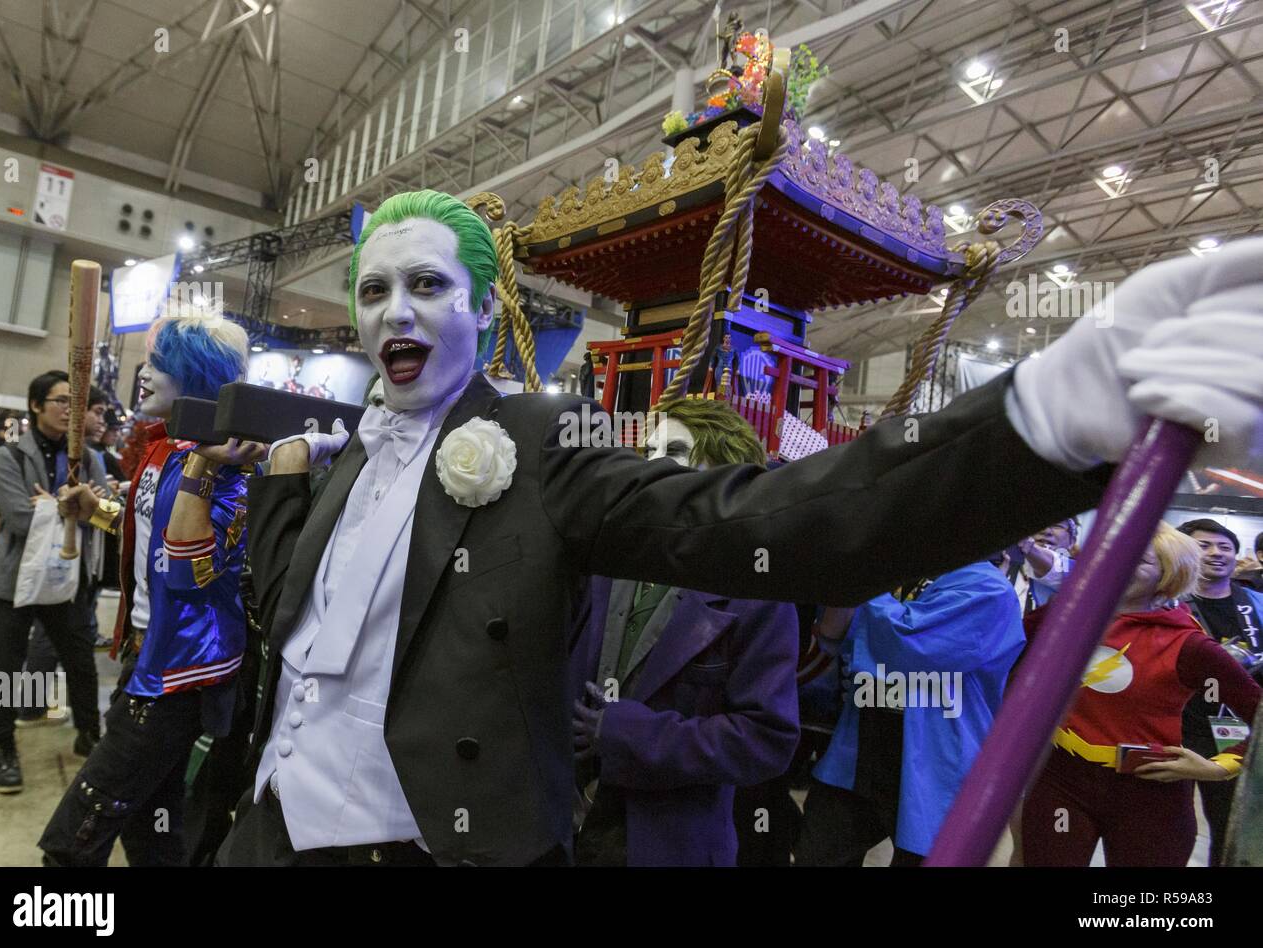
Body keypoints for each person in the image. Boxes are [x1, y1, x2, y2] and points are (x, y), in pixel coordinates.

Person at [215, 189, 1262, 867]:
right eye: (374, 291)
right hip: (267, 834)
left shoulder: (540, 445)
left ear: (486, 310)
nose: (395, 311)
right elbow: (288, 626)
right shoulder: (347, 456)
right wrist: (280, 485)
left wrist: (1046, 416)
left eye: (428, 286)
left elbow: (780, 521)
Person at [38, 315, 256, 866]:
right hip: (142, 654)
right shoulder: (162, 448)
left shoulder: (231, 470)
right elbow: (151, 532)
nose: (143, 372)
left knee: (72, 843)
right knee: (151, 829)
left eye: (160, 364)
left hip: (181, 671)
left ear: (196, 375)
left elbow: (185, 570)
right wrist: (97, 510)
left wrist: (203, 465)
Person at [568, 398, 800, 866]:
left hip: (669, 840)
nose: (653, 463)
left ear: (724, 472)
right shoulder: (605, 561)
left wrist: (630, 734)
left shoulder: (756, 593)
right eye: (649, 450)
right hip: (566, 826)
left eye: (673, 450)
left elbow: (766, 738)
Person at [1020, 522, 1261, 866]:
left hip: (1151, 791)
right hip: (1062, 779)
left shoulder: (1189, 644)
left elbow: (1257, 712)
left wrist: (1219, 767)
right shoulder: (1064, 618)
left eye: (1140, 560)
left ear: (1167, 574)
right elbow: (1003, 659)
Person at [794, 559, 1025, 866]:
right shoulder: (901, 573)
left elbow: (910, 646)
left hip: (936, 766)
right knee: (817, 856)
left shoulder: (989, 589)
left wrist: (861, 578)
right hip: (861, 751)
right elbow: (833, 635)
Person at [0, 372, 107, 793]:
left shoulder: (88, 458)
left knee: (80, 659)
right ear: (36, 406)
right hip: (12, 582)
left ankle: (89, 734)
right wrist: (71, 507)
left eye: (76, 402)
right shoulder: (9, 456)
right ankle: (3, 746)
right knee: (6, 664)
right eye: (61, 401)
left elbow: (105, 512)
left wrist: (55, 505)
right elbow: (19, 517)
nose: (71, 409)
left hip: (66, 580)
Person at [16, 385, 114, 738]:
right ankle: (31, 706)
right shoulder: (29, 452)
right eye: (96, 411)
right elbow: (25, 509)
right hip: (40, 562)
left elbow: (104, 511)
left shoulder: (90, 458)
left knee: (74, 647)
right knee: (46, 638)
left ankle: (84, 729)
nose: (100, 421)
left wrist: (92, 505)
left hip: (80, 564)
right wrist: (60, 506)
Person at [1176, 517, 1263, 866]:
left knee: (1230, 823)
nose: (1216, 553)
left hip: (1240, 728)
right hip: (1176, 725)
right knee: (1169, 825)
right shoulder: (1168, 604)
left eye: (1225, 547)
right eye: (1204, 546)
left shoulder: (1255, 602)